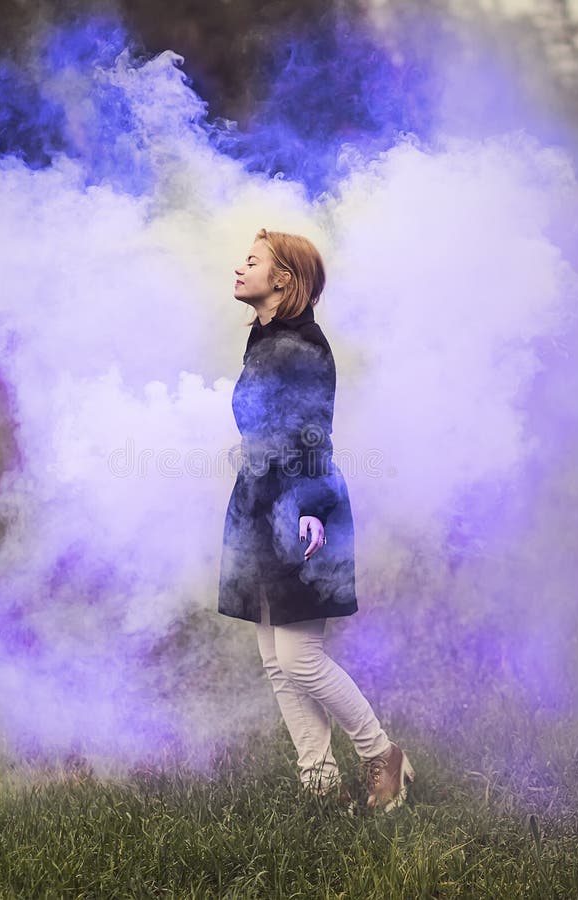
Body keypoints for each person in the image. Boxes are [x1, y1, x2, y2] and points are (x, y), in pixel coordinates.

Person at [217, 227, 415, 811]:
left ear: (281, 279)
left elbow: (310, 432)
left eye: (251, 261)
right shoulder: (267, 338)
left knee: (299, 658)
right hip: (261, 503)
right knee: (277, 661)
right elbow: (269, 427)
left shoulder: (297, 344)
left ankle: (383, 755)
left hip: (299, 508)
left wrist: (305, 507)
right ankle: (319, 781)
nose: (238, 268)